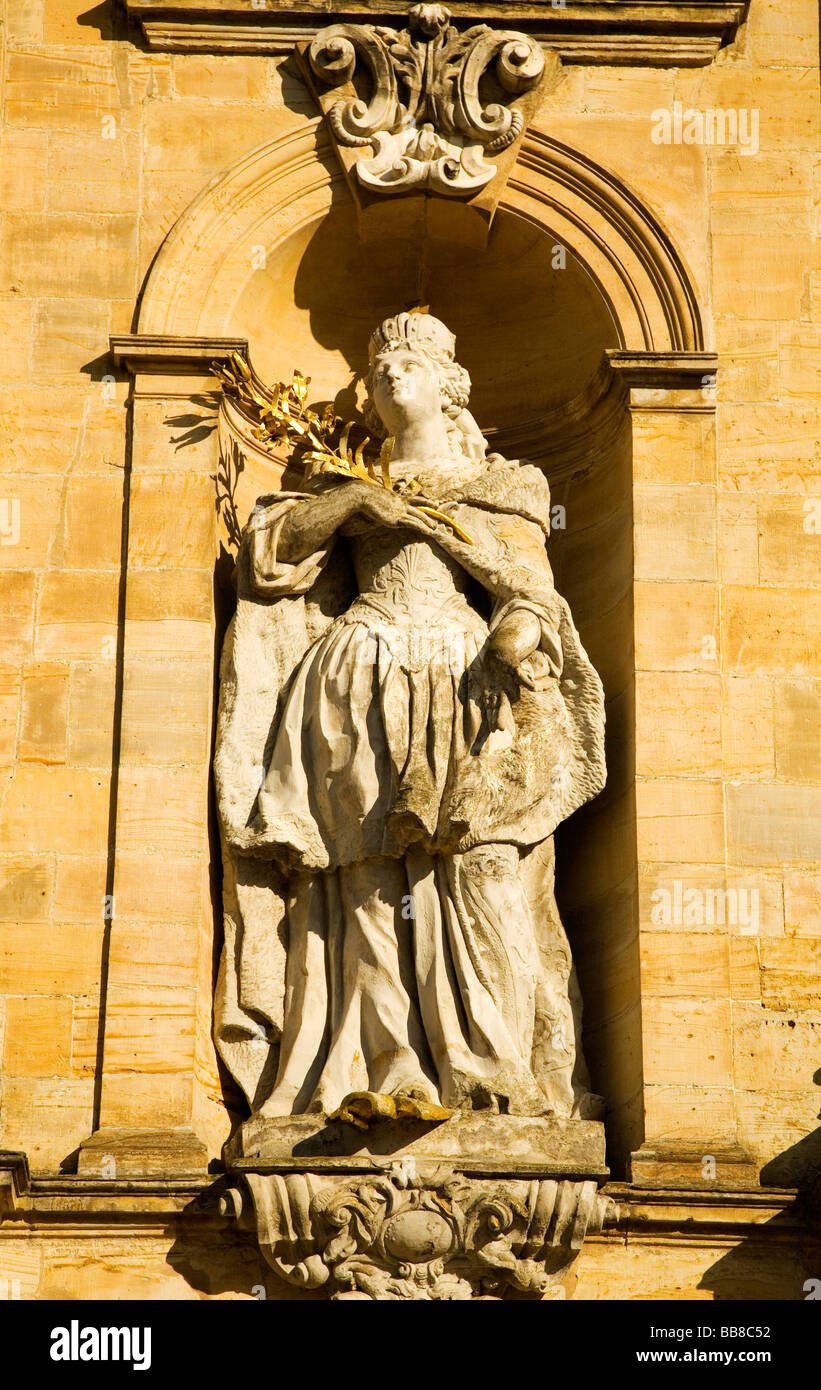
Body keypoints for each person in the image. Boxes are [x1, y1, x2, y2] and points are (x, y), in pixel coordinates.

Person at [214, 311, 606, 1126]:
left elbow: (529, 590)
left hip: (462, 679)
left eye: (409, 364)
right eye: (381, 365)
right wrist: (363, 502)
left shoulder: (506, 485)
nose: (392, 375)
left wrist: (516, 634)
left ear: (449, 384)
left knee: (482, 867)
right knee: (359, 868)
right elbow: (270, 549)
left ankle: (494, 1069)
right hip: (355, 676)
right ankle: (389, 1063)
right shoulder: (342, 483)